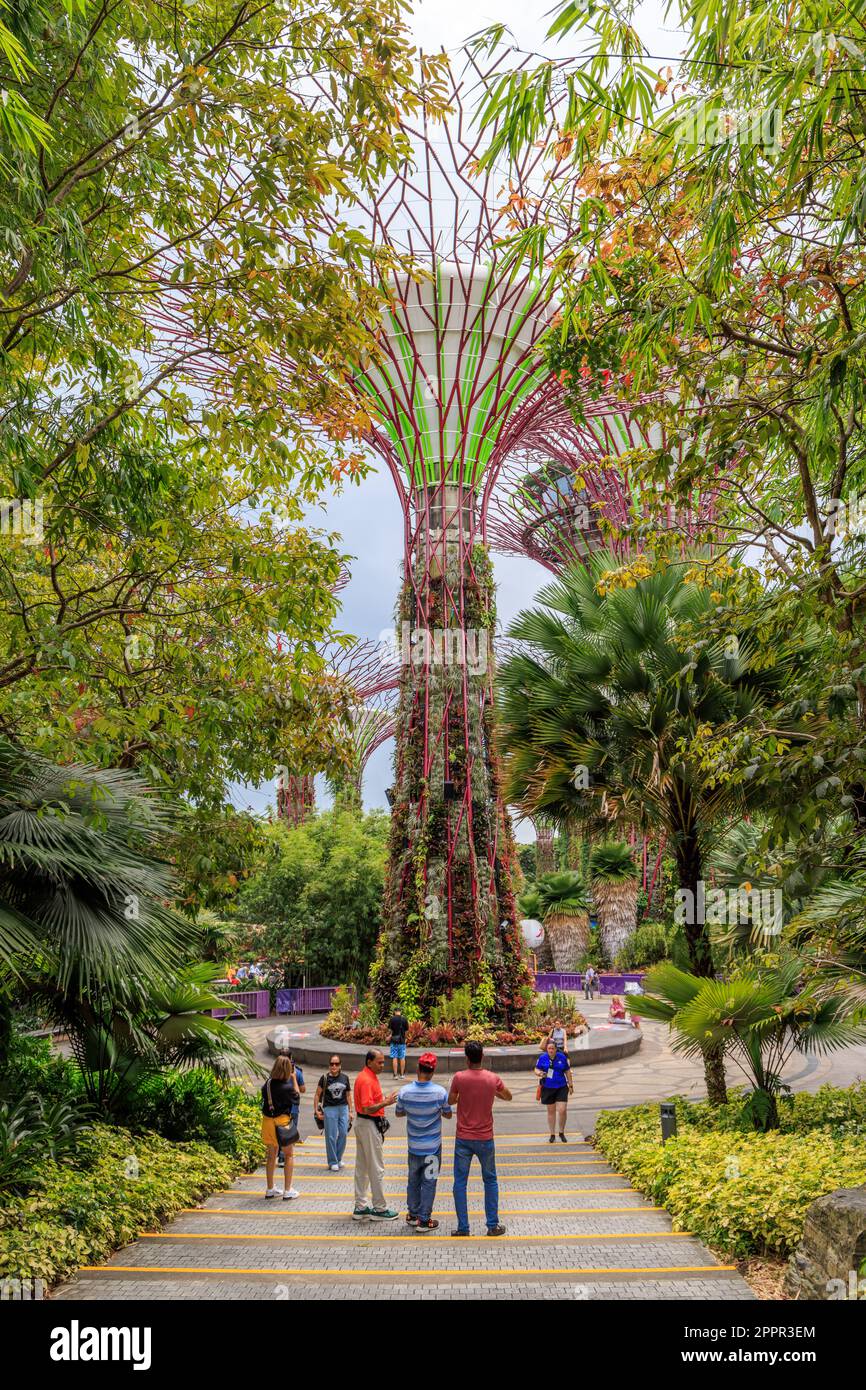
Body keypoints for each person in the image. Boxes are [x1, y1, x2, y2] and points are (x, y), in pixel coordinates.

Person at [447, 1040, 512, 1238]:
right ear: (482, 1057)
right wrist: (492, 1093)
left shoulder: (459, 1077)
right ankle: (492, 1225)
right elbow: (508, 1096)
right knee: (490, 1180)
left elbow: (450, 1101)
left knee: (460, 1182)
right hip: (485, 1137)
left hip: (463, 1138)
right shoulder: (493, 1078)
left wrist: (462, 1097)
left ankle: (463, 1227)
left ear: (467, 1058)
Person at [395, 1052, 452, 1231]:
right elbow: (448, 1114)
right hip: (433, 1148)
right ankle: (424, 1219)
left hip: (413, 1147)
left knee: (413, 1180)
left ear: (418, 1068)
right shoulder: (439, 1092)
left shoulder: (404, 1092)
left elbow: (399, 1112)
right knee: (429, 1181)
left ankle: (412, 1214)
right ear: (433, 1071)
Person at [352, 1048, 400, 1221]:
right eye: (379, 1062)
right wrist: (386, 1102)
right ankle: (379, 1208)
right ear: (369, 1062)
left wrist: (382, 1101)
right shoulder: (366, 1080)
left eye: (383, 1062)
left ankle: (361, 1206)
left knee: (363, 1167)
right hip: (368, 1124)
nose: (382, 1065)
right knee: (376, 1167)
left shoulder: (367, 1076)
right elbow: (367, 1107)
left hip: (364, 1124)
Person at [260, 1055, 300, 1200]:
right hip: (282, 1122)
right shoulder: (287, 1087)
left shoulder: (268, 1083)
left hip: (267, 1121)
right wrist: (294, 1078)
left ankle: (270, 1189)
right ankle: (288, 1190)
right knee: (288, 1155)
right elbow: (297, 1098)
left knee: (271, 1155)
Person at [314, 1054, 354, 1171]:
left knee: (343, 1134)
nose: (334, 1066)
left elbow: (348, 1095)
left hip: (343, 1108)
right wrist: (316, 1110)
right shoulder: (324, 1078)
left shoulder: (345, 1078)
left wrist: (351, 1111)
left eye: (336, 1064)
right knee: (331, 1136)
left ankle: (338, 1157)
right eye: (332, 1064)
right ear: (329, 1065)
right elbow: (317, 1095)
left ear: (340, 1065)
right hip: (330, 1109)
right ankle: (332, 1161)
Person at [534, 1038, 573, 1142]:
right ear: (547, 1049)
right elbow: (536, 1069)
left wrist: (571, 1084)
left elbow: (567, 1071)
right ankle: (552, 1134)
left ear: (556, 1049)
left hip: (561, 1086)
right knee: (551, 1111)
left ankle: (561, 1132)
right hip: (547, 1087)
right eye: (549, 1048)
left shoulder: (562, 1057)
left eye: (552, 1048)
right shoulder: (542, 1058)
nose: (550, 1050)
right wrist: (539, 1073)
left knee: (562, 1110)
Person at [388, 1006, 409, 1079]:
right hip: (402, 1041)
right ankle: (402, 1075)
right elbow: (406, 1031)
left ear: (394, 1012)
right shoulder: (404, 1019)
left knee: (394, 1057)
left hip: (394, 1041)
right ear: (400, 1012)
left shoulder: (392, 1019)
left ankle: (395, 1075)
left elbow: (391, 1031)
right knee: (402, 1057)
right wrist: (404, 1038)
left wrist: (389, 1037)